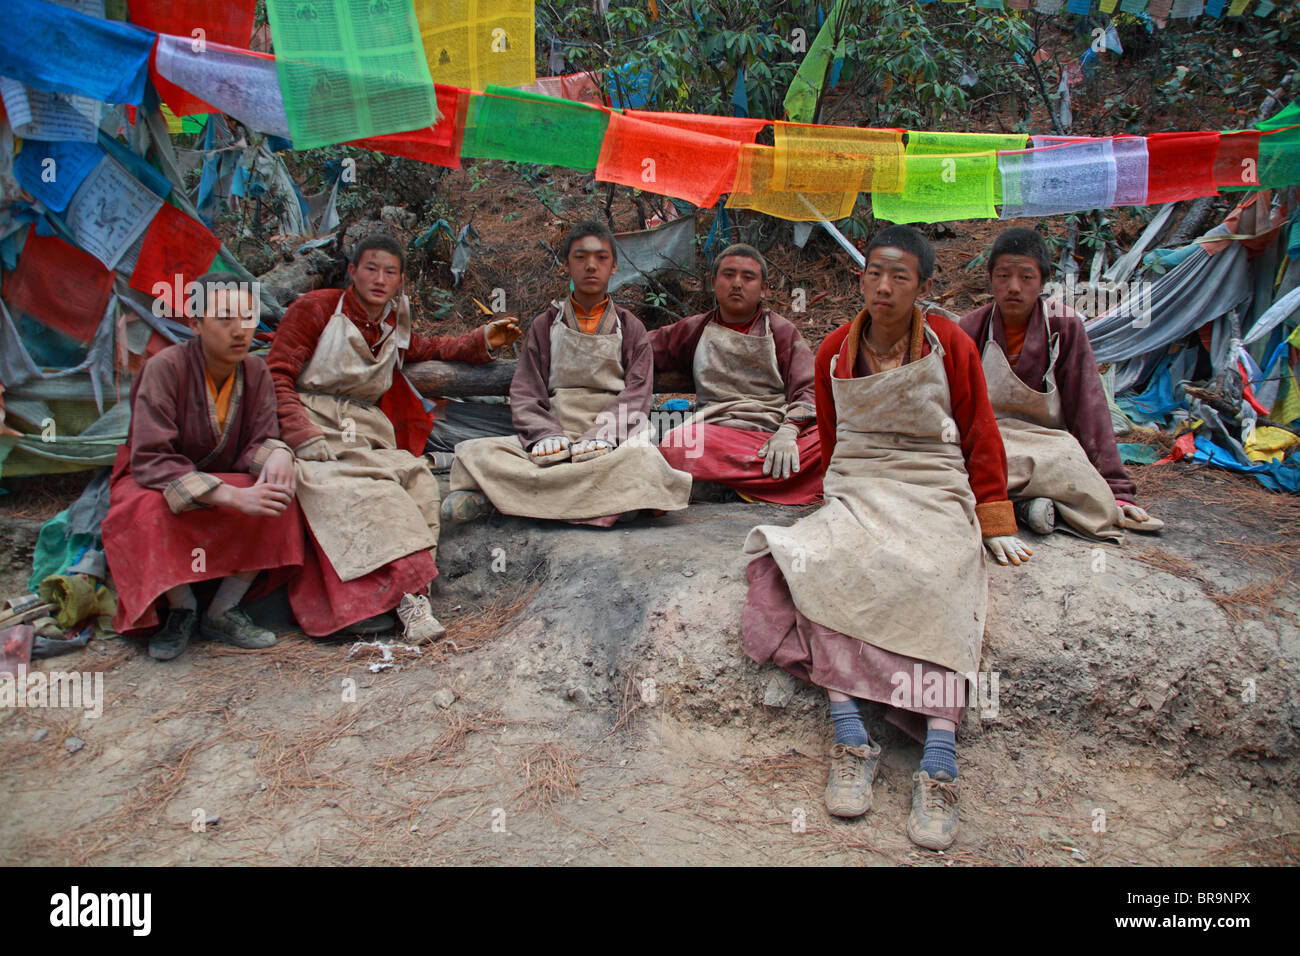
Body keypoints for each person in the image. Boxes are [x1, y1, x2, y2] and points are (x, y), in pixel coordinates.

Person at [742, 226, 1032, 851]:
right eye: (875, 272)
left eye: (900, 276)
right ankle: (851, 736)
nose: (884, 285)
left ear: (923, 287)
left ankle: (940, 760)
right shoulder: (833, 352)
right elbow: (834, 436)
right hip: (862, 484)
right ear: (862, 277)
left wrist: (993, 517)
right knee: (814, 562)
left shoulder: (949, 343)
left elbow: (980, 430)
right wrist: (835, 501)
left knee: (941, 577)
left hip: (933, 484)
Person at [266, 234, 521, 639]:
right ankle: (391, 603)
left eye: (390, 271)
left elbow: (429, 347)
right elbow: (277, 373)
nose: (379, 279)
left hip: (368, 433)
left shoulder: (391, 322)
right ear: (352, 272)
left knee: (417, 479)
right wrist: (300, 433)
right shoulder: (315, 309)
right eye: (371, 268)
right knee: (371, 492)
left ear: (401, 279)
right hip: (317, 427)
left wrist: (481, 341)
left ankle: (410, 594)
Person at [103, 273, 304, 661]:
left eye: (247, 317)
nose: (240, 330)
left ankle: (222, 609)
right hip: (158, 479)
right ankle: (182, 608)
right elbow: (150, 456)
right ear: (194, 324)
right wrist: (228, 495)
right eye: (225, 318)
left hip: (223, 476)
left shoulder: (257, 372)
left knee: (281, 495)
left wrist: (278, 453)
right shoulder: (164, 368)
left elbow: (257, 443)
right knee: (145, 510)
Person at [443, 220, 691, 526]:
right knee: (476, 452)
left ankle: (499, 500)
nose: (591, 266)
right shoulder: (545, 325)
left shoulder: (631, 328)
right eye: (580, 257)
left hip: (614, 437)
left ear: (613, 266)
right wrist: (545, 434)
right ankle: (612, 505)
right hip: (557, 436)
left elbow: (638, 393)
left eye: (601, 258)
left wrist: (602, 436)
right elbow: (526, 391)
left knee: (645, 460)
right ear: (566, 265)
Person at [958, 227, 1162, 538]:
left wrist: (1116, 488)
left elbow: (1087, 404)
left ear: (1042, 281)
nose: (1013, 287)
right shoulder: (971, 327)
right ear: (990, 278)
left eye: (1026, 277)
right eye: (1003, 276)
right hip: (991, 441)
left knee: (1069, 460)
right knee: (955, 465)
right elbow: (955, 405)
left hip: (1047, 444)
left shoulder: (1063, 325)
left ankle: (1017, 501)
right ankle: (1030, 504)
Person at [649, 243, 824, 504]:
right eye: (728, 275)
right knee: (679, 443)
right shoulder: (695, 329)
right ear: (713, 282)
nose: (737, 284)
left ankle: (725, 486)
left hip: (771, 433)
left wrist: (788, 431)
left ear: (764, 288)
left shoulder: (780, 331)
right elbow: (641, 348)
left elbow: (809, 387)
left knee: (831, 440)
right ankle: (767, 486)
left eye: (748, 277)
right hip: (718, 433)